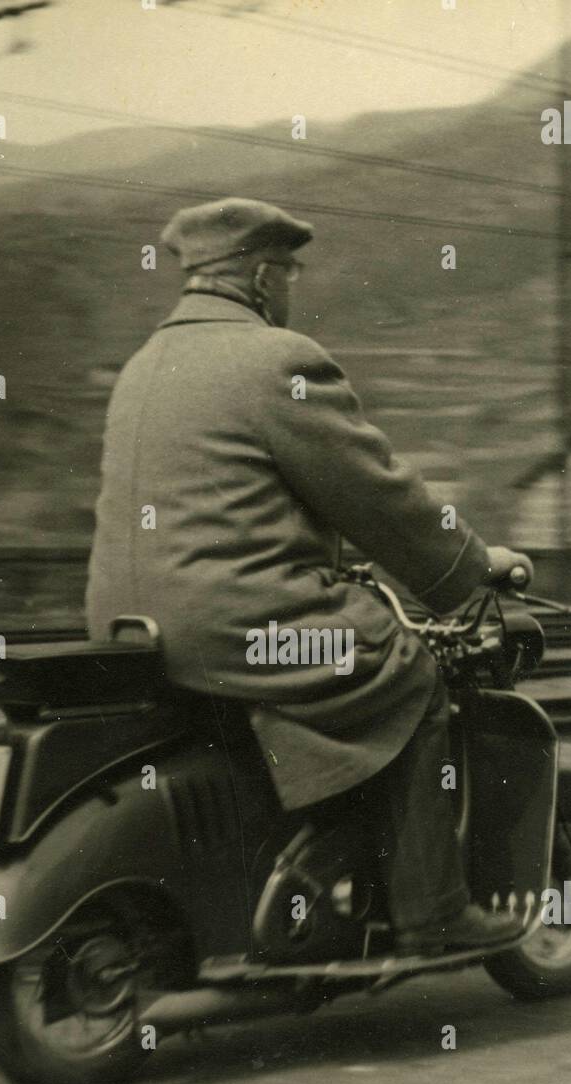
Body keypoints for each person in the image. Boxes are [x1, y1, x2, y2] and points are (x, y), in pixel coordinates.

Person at [86, 197, 533, 956]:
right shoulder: (274, 361)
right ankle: (434, 915)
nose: (292, 288)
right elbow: (376, 493)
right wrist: (469, 566)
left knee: (332, 659)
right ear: (262, 278)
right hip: (241, 632)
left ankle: (315, 871)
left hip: (130, 629)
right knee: (407, 670)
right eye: (289, 273)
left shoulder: (142, 364)